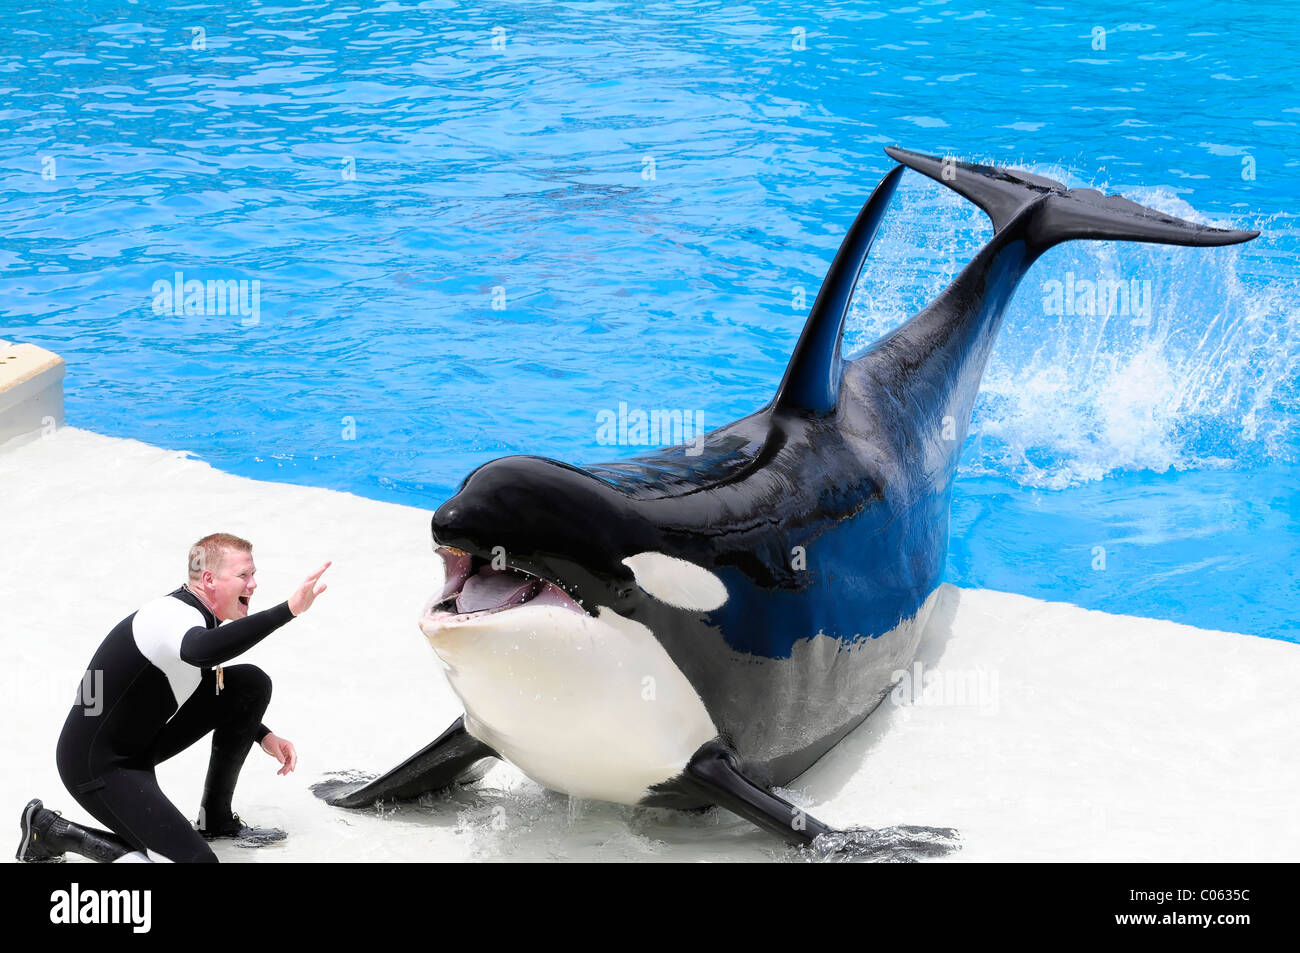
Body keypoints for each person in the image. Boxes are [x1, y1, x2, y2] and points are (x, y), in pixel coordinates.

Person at [15, 533, 330, 863]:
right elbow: (199, 652)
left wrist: (263, 735)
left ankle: (216, 820)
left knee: (248, 683)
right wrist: (288, 610)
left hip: (138, 744)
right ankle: (52, 832)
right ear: (208, 579)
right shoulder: (172, 617)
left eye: (253, 574)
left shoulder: (195, 615)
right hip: (96, 764)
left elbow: (202, 681)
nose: (253, 585)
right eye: (243, 576)